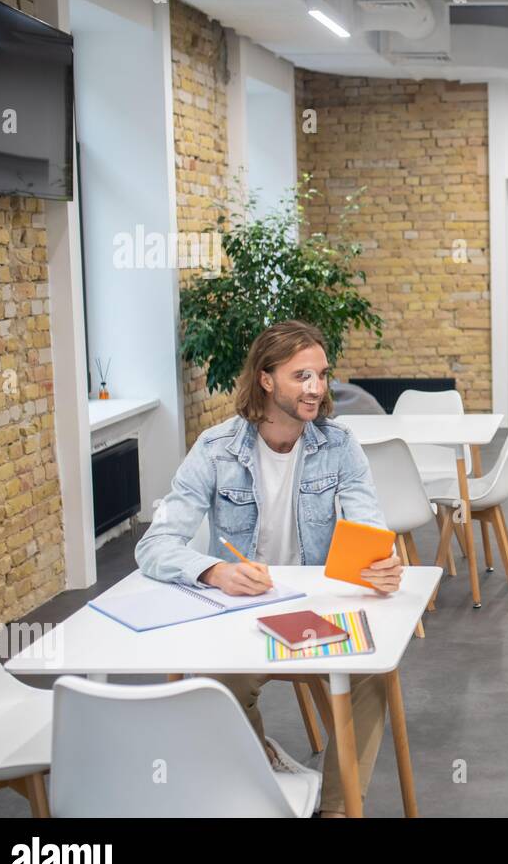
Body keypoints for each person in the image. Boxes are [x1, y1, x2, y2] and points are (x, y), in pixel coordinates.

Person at [136, 319, 402, 816]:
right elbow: (155, 544)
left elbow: (370, 527)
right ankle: (260, 783)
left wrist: (381, 564)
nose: (317, 388)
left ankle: (338, 809)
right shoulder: (215, 450)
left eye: (322, 375)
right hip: (244, 616)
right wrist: (215, 571)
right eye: (302, 376)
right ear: (266, 379)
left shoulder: (339, 444)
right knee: (219, 686)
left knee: (372, 675)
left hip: (318, 613)